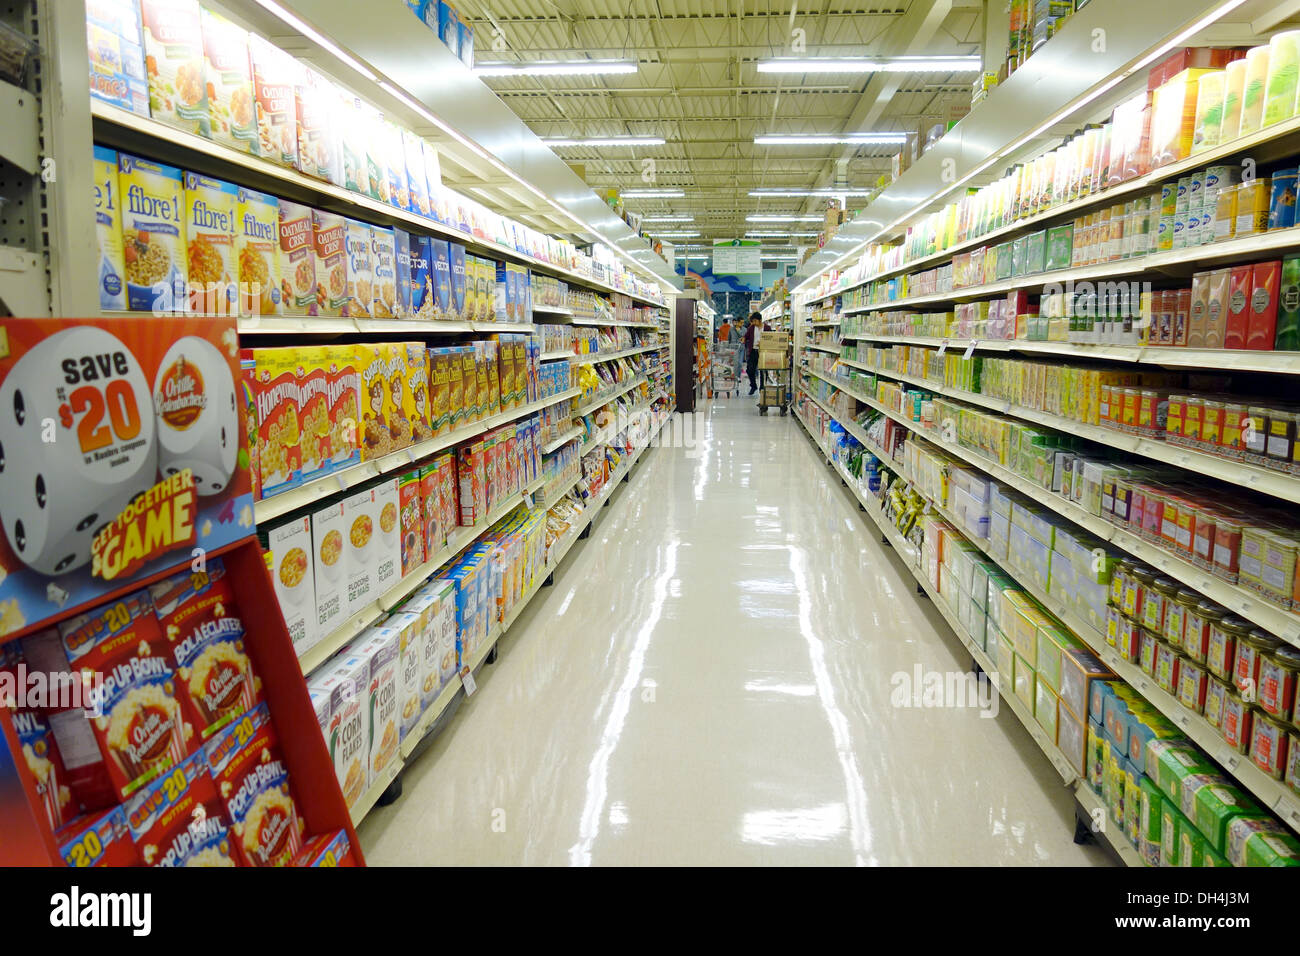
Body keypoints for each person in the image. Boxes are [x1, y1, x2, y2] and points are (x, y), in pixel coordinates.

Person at [742, 312, 762, 395]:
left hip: (763, 352)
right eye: (753, 321)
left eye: (755, 321)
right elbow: (746, 336)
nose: (753, 323)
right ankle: (753, 385)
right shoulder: (751, 328)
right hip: (753, 351)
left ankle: (762, 387)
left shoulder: (767, 328)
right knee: (750, 370)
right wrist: (743, 339)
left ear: (760, 320)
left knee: (763, 371)